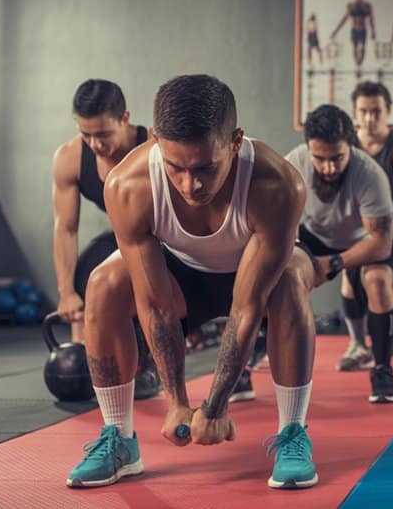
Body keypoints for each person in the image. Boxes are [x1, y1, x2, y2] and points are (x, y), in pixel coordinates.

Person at [66, 75, 318, 490]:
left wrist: (215, 406)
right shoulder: (129, 186)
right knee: (103, 282)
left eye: (205, 167)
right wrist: (178, 404)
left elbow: (247, 306)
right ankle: (120, 438)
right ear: (156, 141)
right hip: (180, 278)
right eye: (176, 168)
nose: (191, 184)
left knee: (290, 279)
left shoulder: (278, 185)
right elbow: (155, 304)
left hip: (252, 275)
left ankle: (293, 432)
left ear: (235, 141)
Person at [286, 104, 393, 403]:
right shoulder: (293, 165)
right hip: (323, 236)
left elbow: (380, 244)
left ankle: (382, 370)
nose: (328, 168)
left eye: (337, 158)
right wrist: (300, 257)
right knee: (279, 275)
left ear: (350, 145)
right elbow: (282, 225)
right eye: (320, 159)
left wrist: (332, 264)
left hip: (373, 239)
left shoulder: (370, 174)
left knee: (377, 279)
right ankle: (254, 359)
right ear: (308, 149)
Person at [51, 79, 159, 400]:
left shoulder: (154, 146)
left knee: (138, 283)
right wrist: (67, 292)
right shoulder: (70, 157)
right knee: (88, 274)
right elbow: (66, 229)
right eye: (86, 134)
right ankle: (87, 363)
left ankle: (145, 365)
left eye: (103, 135)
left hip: (164, 235)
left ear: (124, 118)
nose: (95, 144)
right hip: (124, 234)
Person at [335, 81, 393, 373]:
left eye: (376, 112)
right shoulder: (345, 147)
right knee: (349, 284)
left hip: (389, 236)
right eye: (363, 111)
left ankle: (380, 358)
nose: (370, 119)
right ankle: (358, 345)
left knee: (380, 286)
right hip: (353, 232)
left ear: (388, 111)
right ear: (355, 112)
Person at [331, 0, 376, 74]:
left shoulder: (367, 5)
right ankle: (357, 65)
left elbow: (370, 18)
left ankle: (360, 65)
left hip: (363, 29)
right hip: (354, 29)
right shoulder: (351, 5)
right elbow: (345, 18)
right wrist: (336, 31)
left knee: (363, 47)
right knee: (355, 47)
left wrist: (373, 32)